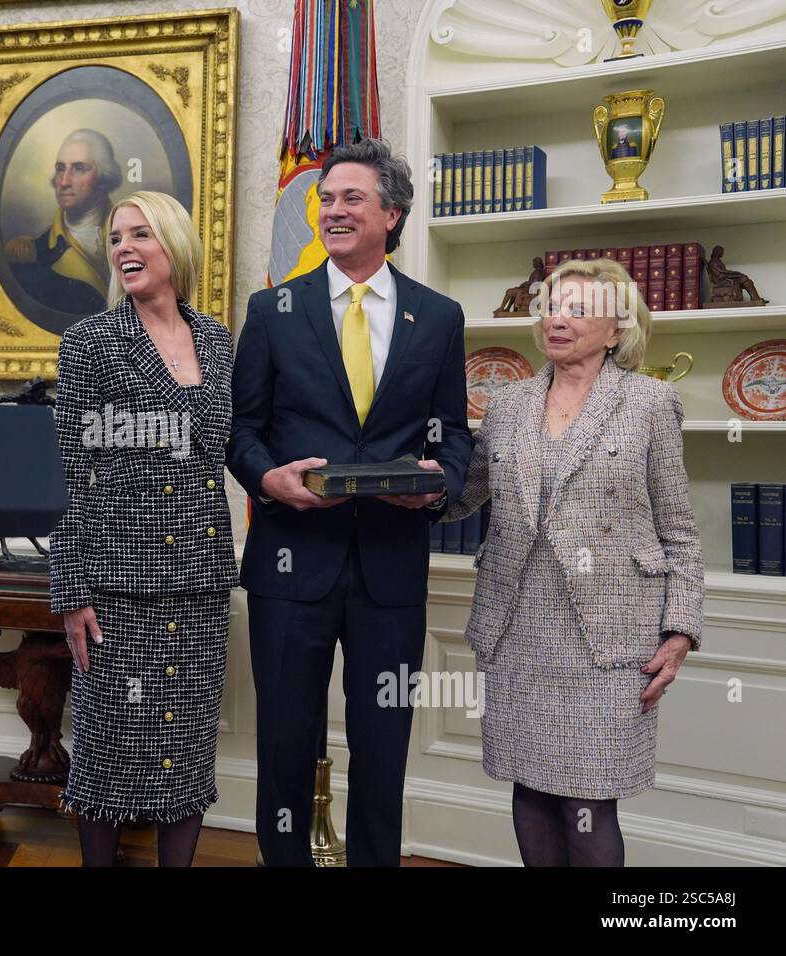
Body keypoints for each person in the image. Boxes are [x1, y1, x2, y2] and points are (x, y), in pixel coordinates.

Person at [227, 139, 473, 866]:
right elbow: (241, 430)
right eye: (326, 199)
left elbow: (453, 434)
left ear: (391, 213)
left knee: (382, 751)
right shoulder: (272, 310)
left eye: (351, 198)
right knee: (284, 746)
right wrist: (269, 479)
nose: (332, 210)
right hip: (288, 567)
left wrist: (438, 485)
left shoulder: (438, 316)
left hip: (390, 575)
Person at [439, 257, 703, 866]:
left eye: (579, 310)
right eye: (551, 307)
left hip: (609, 642)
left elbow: (680, 531)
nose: (558, 319)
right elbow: (468, 495)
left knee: (589, 804)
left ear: (617, 329)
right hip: (518, 630)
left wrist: (682, 628)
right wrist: (411, 487)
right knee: (529, 792)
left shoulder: (650, 403)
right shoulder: (506, 404)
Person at [48, 190, 237, 866]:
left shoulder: (217, 340)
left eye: (141, 235)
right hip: (117, 585)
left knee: (184, 751)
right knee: (107, 752)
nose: (125, 247)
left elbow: (232, 446)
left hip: (202, 581)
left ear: (174, 246)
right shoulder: (91, 344)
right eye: (118, 238)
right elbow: (66, 472)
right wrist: (71, 591)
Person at [6, 128, 119, 316]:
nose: (64, 181)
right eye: (60, 169)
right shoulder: (31, 256)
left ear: (103, 177)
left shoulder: (137, 242)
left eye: (79, 168)